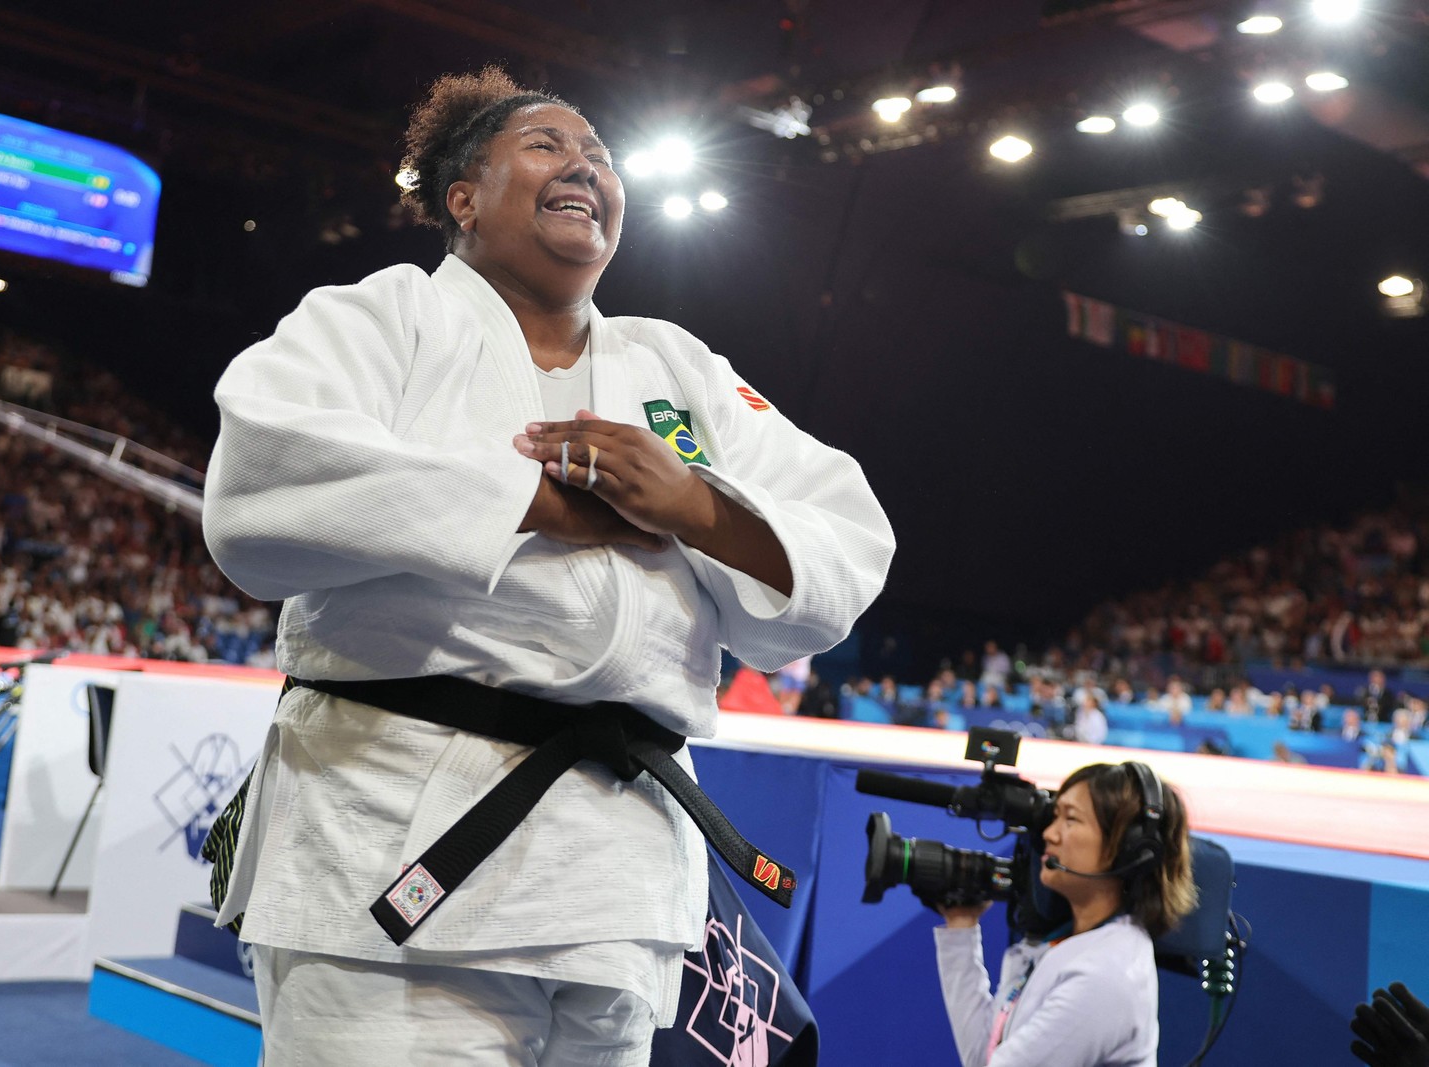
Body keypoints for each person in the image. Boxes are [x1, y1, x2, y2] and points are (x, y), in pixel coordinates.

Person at [200, 67, 894, 1065]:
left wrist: (694, 504)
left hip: (616, 881)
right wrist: (532, 501)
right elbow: (261, 480)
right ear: (462, 197)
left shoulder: (678, 369)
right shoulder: (381, 318)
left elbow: (847, 536)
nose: (585, 167)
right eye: (547, 145)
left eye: (600, 156)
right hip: (392, 847)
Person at [933, 761, 1197, 1067]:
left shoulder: (1105, 976)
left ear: (1129, 849)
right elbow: (985, 1057)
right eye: (1055, 816)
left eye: (1070, 819)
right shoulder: (1070, 943)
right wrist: (961, 926)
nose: (1049, 833)